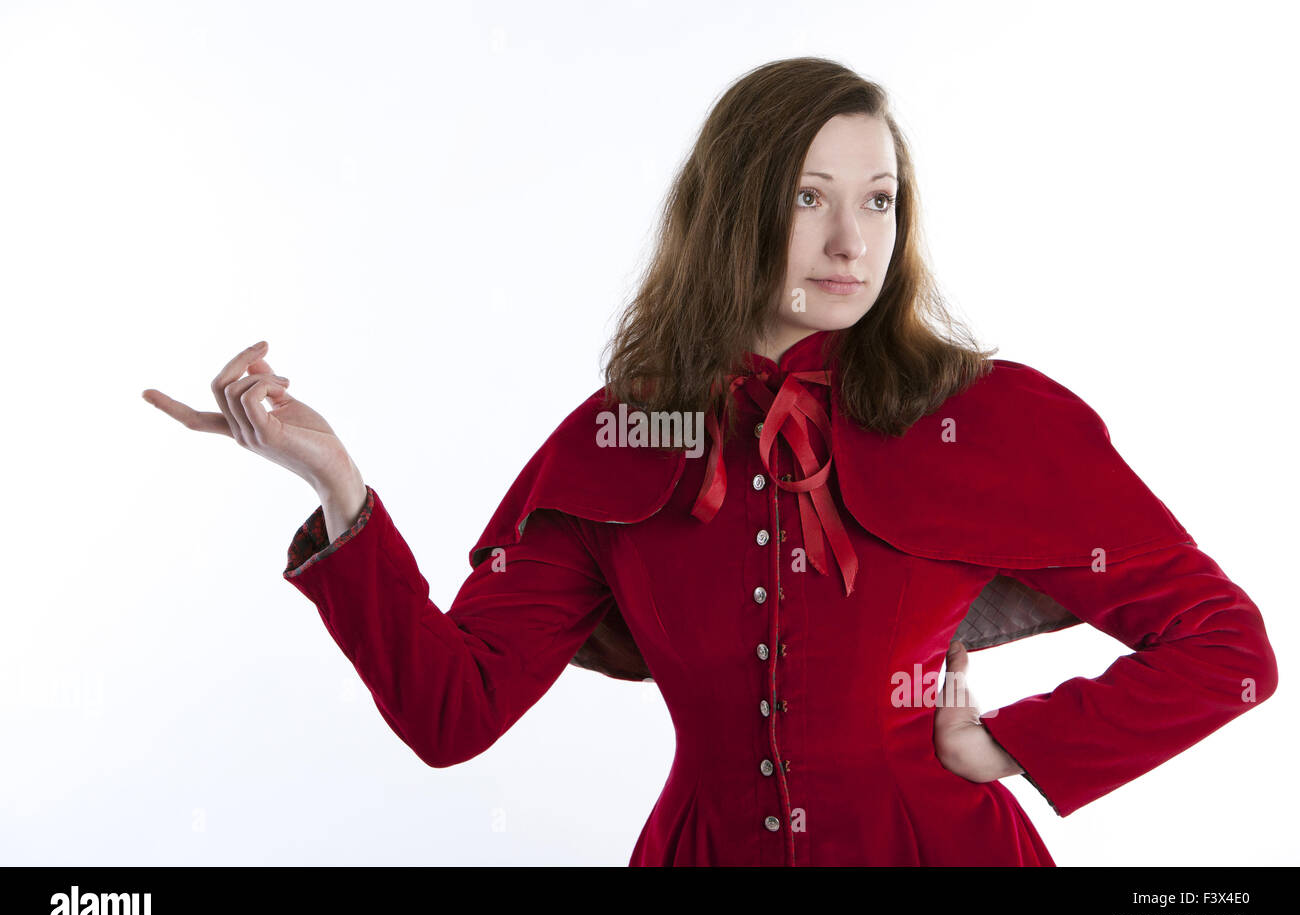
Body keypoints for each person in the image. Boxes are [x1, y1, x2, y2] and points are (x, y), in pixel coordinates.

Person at [142, 57, 1278, 866]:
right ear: (733, 210)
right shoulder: (621, 440)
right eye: (808, 196)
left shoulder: (981, 416)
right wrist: (337, 487)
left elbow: (1226, 648)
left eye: (878, 200)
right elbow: (456, 711)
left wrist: (1012, 745)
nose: (851, 240)